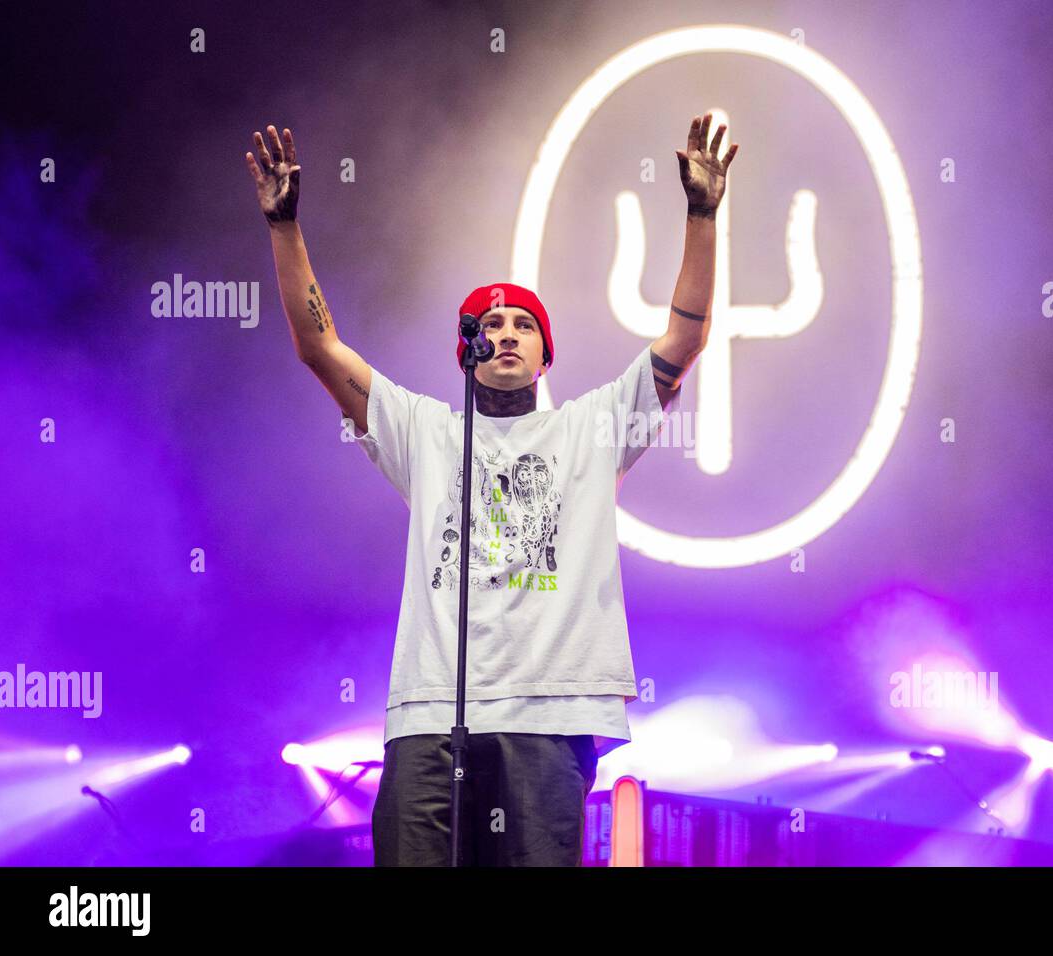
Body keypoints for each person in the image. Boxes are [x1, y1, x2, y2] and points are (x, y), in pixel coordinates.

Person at [244, 115, 738, 866]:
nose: (505, 333)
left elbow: (685, 338)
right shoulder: (425, 432)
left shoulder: (591, 427)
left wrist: (701, 217)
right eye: (489, 325)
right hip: (431, 714)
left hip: (550, 712)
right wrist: (284, 226)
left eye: (522, 326)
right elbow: (319, 347)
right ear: (467, 353)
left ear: (544, 355)